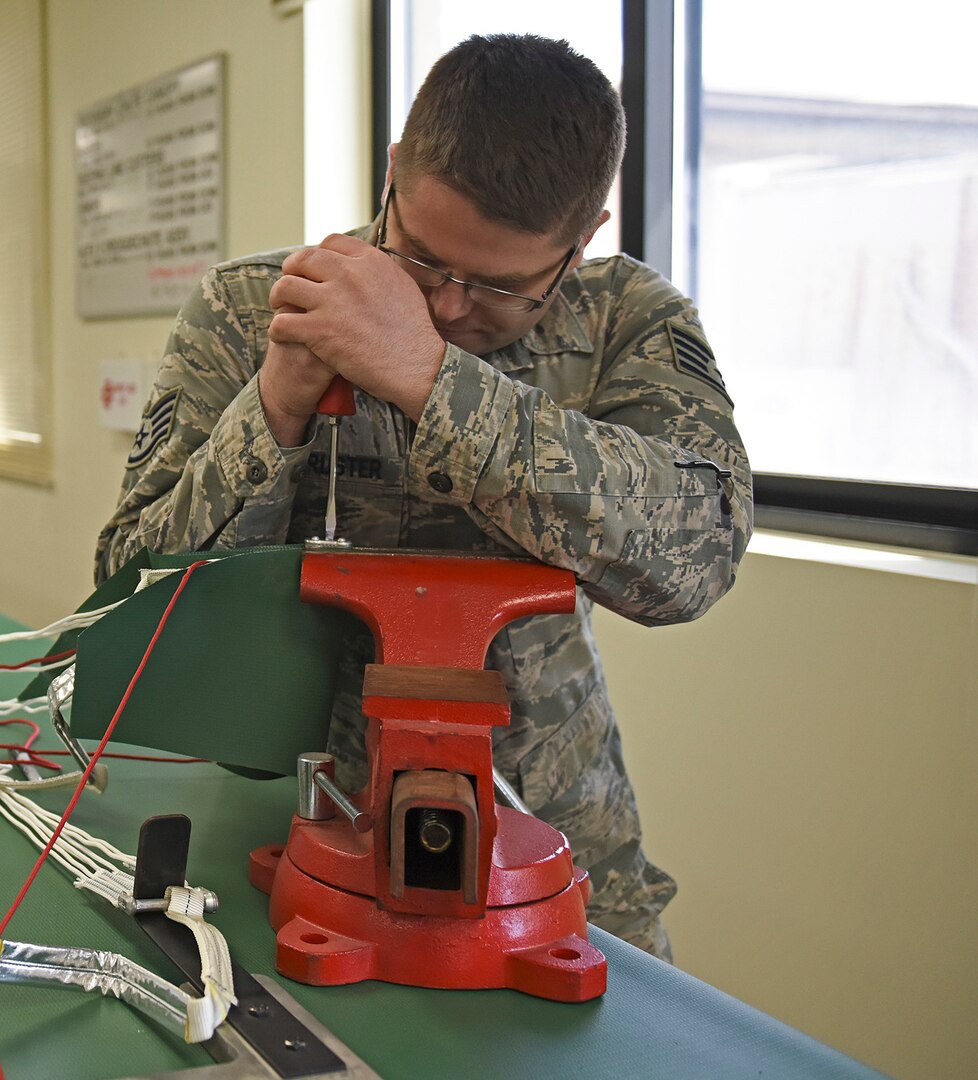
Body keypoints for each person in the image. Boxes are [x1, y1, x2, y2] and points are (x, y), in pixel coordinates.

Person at [95, 34, 752, 960]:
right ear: (394, 172)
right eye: (424, 260)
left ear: (585, 238)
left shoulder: (624, 320)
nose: (448, 307)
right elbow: (127, 585)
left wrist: (435, 383)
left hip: (547, 847)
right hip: (285, 826)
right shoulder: (254, 308)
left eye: (500, 287)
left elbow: (696, 560)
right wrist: (273, 408)